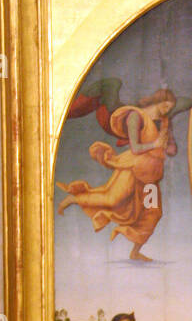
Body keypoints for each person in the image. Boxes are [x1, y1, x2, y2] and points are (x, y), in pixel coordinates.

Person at [57, 90, 177, 260]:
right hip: (133, 167)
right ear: (156, 101)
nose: (166, 111)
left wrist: (168, 144)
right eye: (165, 106)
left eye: (169, 108)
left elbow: (172, 149)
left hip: (151, 175)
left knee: (152, 213)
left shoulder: (164, 121)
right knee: (112, 199)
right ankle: (73, 199)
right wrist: (155, 143)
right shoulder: (136, 117)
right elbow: (135, 148)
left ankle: (135, 252)